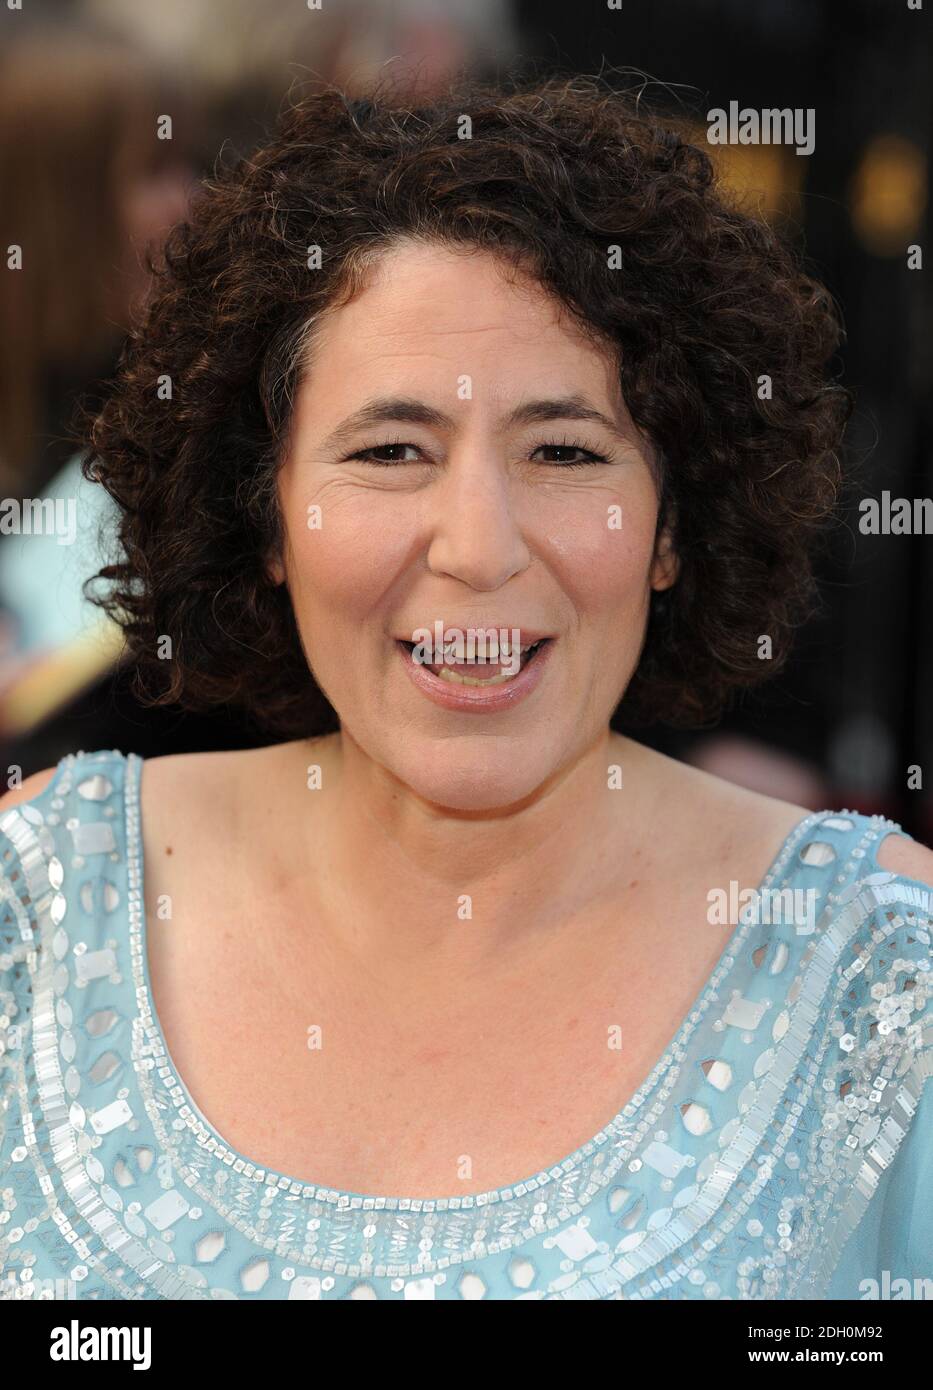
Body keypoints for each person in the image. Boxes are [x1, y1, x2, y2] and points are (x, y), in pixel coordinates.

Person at [0, 75, 929, 1302]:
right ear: (266, 512)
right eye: (391, 452)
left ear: (672, 523)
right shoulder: (39, 909)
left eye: (564, 450)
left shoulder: (884, 978)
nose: (477, 544)